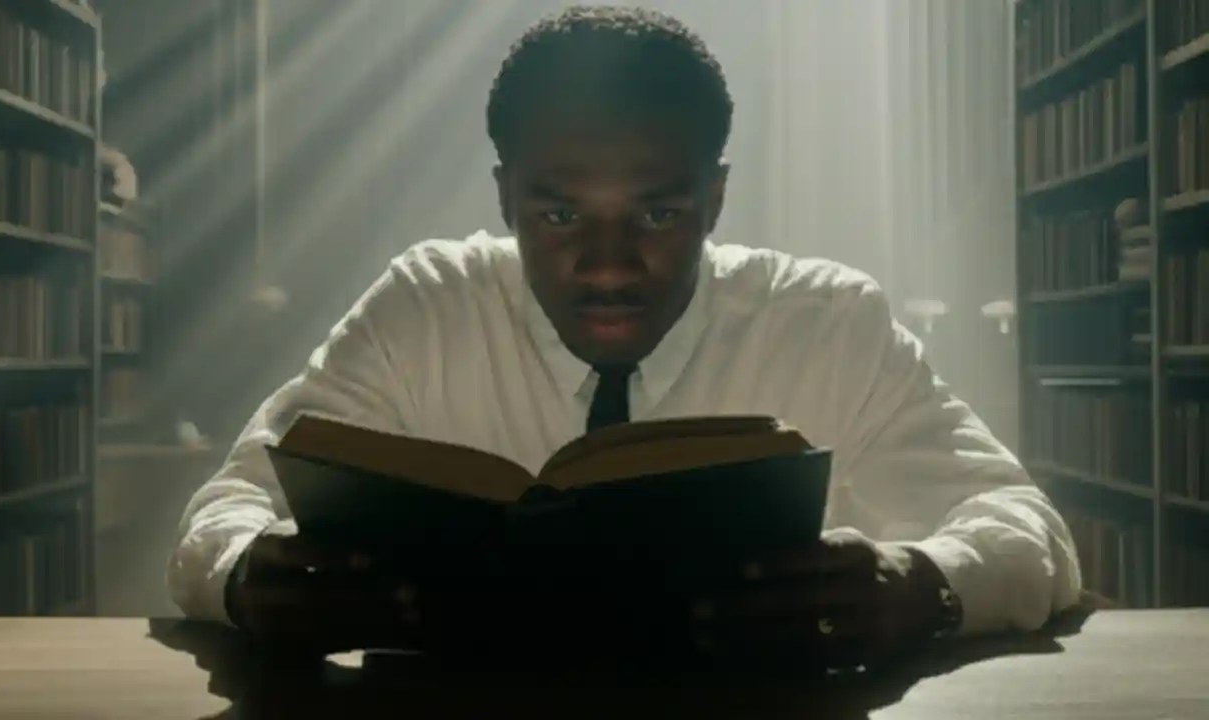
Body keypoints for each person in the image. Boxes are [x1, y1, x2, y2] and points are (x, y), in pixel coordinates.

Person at [168, 5, 1081, 668]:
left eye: (658, 213)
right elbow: (224, 509)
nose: (608, 266)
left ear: (715, 199)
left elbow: (1030, 529)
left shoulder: (829, 323)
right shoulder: (424, 307)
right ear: (503, 196)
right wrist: (252, 581)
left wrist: (922, 588)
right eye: (559, 213)